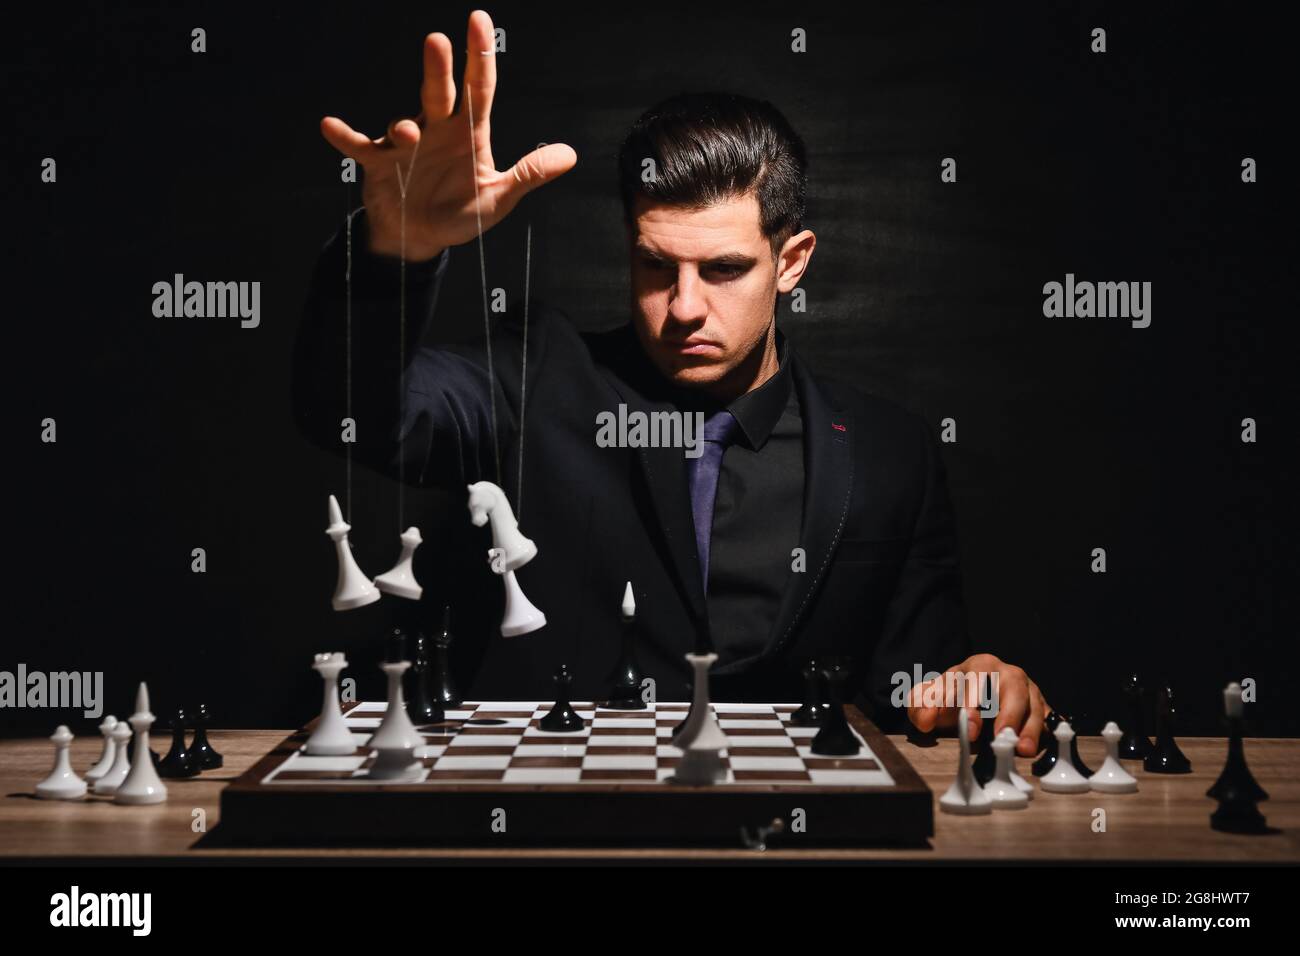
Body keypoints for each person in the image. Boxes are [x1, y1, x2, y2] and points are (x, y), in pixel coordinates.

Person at [292, 10, 1052, 751]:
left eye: (724, 269)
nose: (684, 308)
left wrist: (975, 681)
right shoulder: (537, 374)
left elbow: (921, 693)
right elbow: (355, 413)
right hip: (563, 822)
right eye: (656, 266)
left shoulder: (894, 453)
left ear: (791, 262)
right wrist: (397, 255)